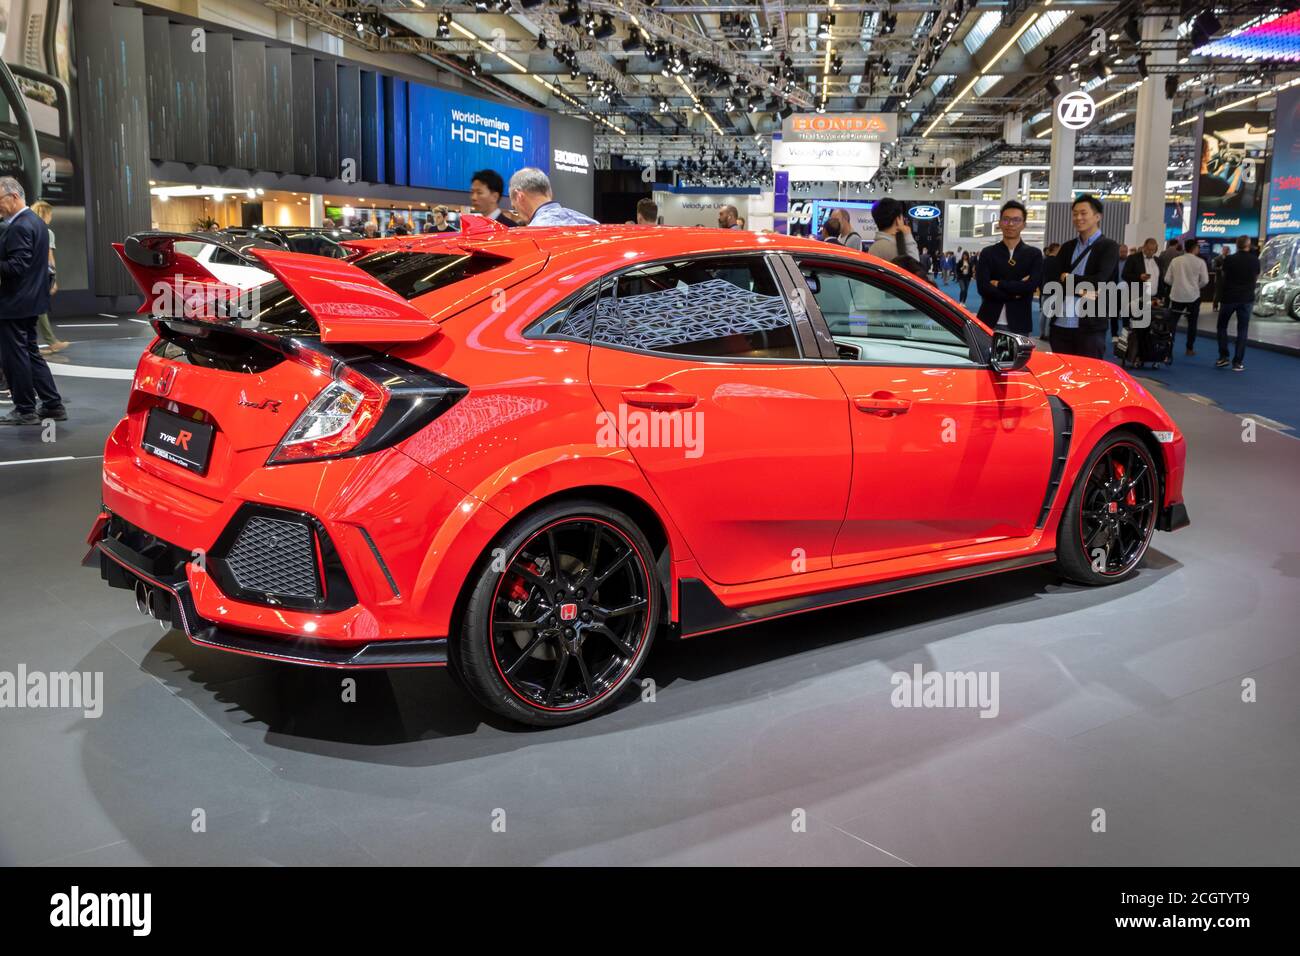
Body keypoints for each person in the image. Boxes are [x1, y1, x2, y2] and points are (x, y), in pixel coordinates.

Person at [0, 176, 65, 426]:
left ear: (14, 197)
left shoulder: (19, 226)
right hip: (29, 302)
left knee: (15, 357)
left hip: (15, 303)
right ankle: (52, 404)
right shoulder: (35, 222)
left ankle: (25, 409)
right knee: (30, 353)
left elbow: (18, 265)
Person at [1049, 194, 1121, 359]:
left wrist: (1068, 280)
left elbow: (1100, 280)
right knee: (1061, 377)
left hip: (1091, 326)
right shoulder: (1067, 247)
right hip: (1061, 323)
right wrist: (1083, 290)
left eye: (1083, 213)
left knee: (1088, 376)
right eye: (1075, 214)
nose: (1078, 218)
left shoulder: (1108, 247)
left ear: (1097, 216)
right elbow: (1053, 280)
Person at [975, 200, 1044, 336]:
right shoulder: (988, 252)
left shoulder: (1033, 254)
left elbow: (1031, 286)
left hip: (1019, 323)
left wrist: (999, 284)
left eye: (1016, 220)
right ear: (1000, 223)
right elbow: (983, 287)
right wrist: (1016, 293)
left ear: (1023, 224)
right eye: (1006, 220)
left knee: (1017, 358)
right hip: (988, 321)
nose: (1011, 224)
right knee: (982, 357)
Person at [1215, 234, 1261, 371]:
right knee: (1242, 330)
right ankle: (1238, 362)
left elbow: (1224, 276)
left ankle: (1223, 357)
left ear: (1237, 244)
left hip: (1229, 297)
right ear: (1248, 245)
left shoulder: (1229, 259)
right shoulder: (1255, 260)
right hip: (1246, 299)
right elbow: (1256, 276)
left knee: (1222, 326)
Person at [30, 201, 67, 354]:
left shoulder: (27, 229)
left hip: (27, 275)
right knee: (39, 307)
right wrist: (54, 279)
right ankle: (50, 342)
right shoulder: (47, 232)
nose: (51, 217)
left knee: (35, 308)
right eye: (50, 214)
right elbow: (49, 257)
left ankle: (47, 341)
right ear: (44, 214)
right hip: (41, 276)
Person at [508, 168, 598, 227]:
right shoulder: (592, 224)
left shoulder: (534, 233)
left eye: (514, 209)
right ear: (550, 192)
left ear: (519, 196)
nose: (518, 215)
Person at [1165, 238, 1209, 356]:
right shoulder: (1200, 262)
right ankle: (1189, 348)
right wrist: (1195, 286)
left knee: (1172, 323)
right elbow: (1205, 280)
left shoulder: (1175, 261)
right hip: (1193, 297)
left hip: (1176, 295)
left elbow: (1167, 279)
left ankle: (1168, 348)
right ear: (1195, 248)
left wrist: (1176, 284)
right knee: (1192, 323)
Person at [1122, 237, 1164, 336]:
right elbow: (1124, 275)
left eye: (1153, 250)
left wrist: (1161, 296)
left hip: (1153, 298)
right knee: (1136, 325)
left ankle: (1145, 347)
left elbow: (1160, 279)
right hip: (1137, 297)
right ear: (1144, 247)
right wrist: (1139, 277)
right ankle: (1132, 345)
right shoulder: (1133, 258)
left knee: (1149, 326)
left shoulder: (1158, 261)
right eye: (1149, 249)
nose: (1150, 252)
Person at [1040, 241, 1061, 340]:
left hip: (1045, 288)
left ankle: (1041, 333)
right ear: (1056, 250)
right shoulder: (1058, 261)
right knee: (1050, 313)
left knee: (1043, 313)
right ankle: (1048, 334)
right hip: (1055, 289)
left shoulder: (1044, 260)